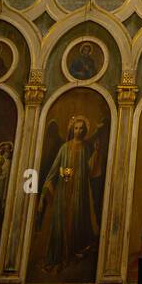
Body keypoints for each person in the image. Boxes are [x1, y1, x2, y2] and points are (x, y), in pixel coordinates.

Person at [36, 114, 107, 271]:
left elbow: (91, 170)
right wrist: (47, 186)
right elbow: (55, 169)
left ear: (85, 131)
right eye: (76, 128)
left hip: (79, 191)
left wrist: (95, 154)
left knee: (76, 217)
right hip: (63, 189)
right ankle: (58, 256)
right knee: (61, 219)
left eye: (81, 128)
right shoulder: (64, 147)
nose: (78, 131)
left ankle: (73, 252)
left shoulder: (86, 148)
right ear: (72, 129)